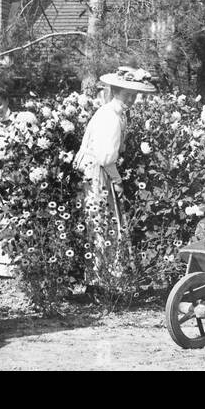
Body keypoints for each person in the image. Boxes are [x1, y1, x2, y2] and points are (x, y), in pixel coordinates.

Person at [74, 67, 156, 284]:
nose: (130, 99)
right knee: (102, 222)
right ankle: (100, 279)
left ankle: (104, 277)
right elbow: (105, 157)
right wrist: (117, 181)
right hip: (99, 172)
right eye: (126, 94)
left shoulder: (116, 113)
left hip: (100, 169)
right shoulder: (109, 116)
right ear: (115, 91)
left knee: (104, 222)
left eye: (134, 95)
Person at [0, 86, 37, 276]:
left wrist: (16, 162)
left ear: (6, 102)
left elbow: (30, 146)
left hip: (20, 175)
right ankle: (0, 265)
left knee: (20, 215)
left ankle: (21, 264)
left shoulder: (21, 121)